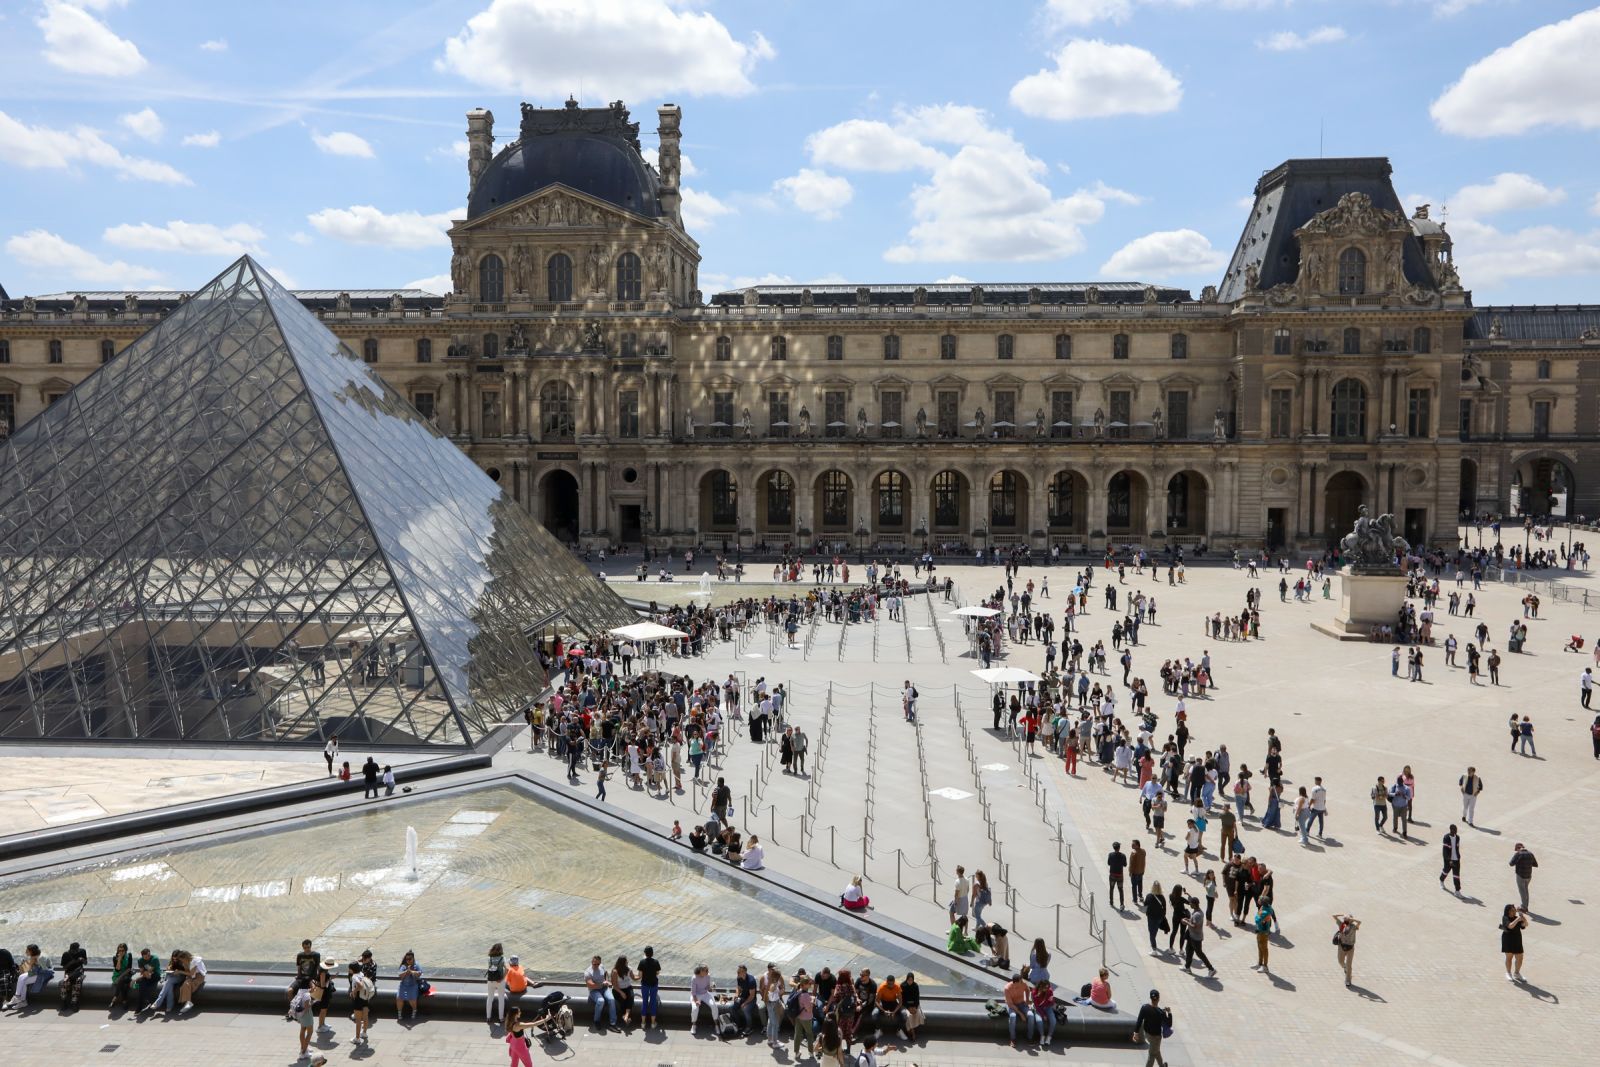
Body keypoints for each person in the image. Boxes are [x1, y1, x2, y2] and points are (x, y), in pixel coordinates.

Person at [1132, 988, 1172, 1067]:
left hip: (1147, 1035)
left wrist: (1136, 1033)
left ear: (1150, 998)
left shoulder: (1144, 1007)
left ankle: (1162, 1066)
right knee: (1152, 1055)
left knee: (1156, 1051)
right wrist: (1169, 1012)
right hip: (1156, 1037)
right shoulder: (1161, 1013)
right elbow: (1169, 1024)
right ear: (1159, 999)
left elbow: (1139, 1020)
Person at [1003, 970, 1036, 1048]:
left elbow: (1028, 990)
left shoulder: (1023, 984)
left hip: (1022, 1003)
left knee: (1031, 1015)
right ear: (1015, 982)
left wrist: (1027, 1000)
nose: (1022, 982)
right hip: (1012, 1005)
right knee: (1013, 1016)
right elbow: (1010, 1004)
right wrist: (1021, 1014)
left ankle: (1030, 1037)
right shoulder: (1007, 988)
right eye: (1020, 981)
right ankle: (1012, 1038)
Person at [584, 955, 616, 1030]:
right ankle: (596, 1021)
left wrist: (607, 981)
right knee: (601, 1001)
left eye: (598, 964)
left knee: (612, 1000)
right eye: (594, 964)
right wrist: (602, 984)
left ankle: (613, 1023)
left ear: (600, 963)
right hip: (594, 991)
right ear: (592, 962)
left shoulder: (601, 966)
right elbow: (590, 985)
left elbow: (605, 974)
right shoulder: (588, 972)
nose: (596, 966)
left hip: (604, 988)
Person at [1181, 905, 1215, 976]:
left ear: (1194, 904)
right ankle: (1187, 967)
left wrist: (1186, 922)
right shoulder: (1197, 911)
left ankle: (1211, 969)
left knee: (1199, 953)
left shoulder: (1197, 914)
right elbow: (1193, 922)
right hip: (1191, 936)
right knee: (1188, 950)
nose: (1190, 904)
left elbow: (1194, 926)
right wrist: (1188, 920)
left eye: (1191, 903)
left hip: (1196, 938)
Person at [288, 978, 316, 1060]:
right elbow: (307, 1006)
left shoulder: (300, 991)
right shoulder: (307, 995)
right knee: (310, 1032)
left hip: (300, 1015)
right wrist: (313, 1002)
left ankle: (304, 1048)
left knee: (303, 1030)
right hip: (306, 1015)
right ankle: (303, 1053)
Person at [347, 961, 374, 1046]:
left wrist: (353, 992)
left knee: (358, 1020)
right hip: (365, 997)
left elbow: (360, 985)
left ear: (352, 969)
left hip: (358, 999)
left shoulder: (354, 976)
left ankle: (357, 1038)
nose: (348, 970)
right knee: (365, 1016)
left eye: (349, 968)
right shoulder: (361, 974)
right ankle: (364, 1033)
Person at [789, 973, 816, 1058]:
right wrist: (812, 1000)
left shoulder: (798, 990)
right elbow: (809, 1009)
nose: (810, 985)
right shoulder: (806, 995)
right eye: (809, 984)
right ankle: (811, 1052)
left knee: (797, 1034)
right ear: (804, 984)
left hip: (798, 1016)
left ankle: (796, 1052)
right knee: (809, 1034)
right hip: (806, 1018)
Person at [759, 962, 786, 1046]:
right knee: (775, 1024)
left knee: (770, 1021)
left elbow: (769, 992)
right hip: (773, 1003)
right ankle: (775, 1042)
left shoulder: (772, 981)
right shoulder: (772, 983)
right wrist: (778, 994)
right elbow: (771, 995)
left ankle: (770, 1039)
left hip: (770, 1003)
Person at [1500, 904, 1528, 982]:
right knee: (1509, 957)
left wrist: (1522, 916)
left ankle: (1517, 973)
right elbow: (1510, 926)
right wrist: (1518, 919)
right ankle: (1508, 973)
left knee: (1520, 957)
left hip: (1517, 939)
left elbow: (1525, 925)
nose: (1514, 911)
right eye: (1512, 910)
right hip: (1508, 940)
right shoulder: (1505, 918)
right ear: (1508, 911)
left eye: (1514, 910)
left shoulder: (1517, 918)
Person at [1332, 914, 1360, 987]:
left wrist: (1352, 920)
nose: (1346, 920)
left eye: (1348, 919)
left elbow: (1360, 922)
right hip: (1341, 946)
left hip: (1350, 948)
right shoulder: (1341, 924)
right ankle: (1344, 967)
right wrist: (1342, 914)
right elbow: (1334, 916)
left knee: (1349, 965)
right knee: (1340, 961)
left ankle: (1348, 980)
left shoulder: (1353, 927)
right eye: (1345, 919)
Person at [1509, 843, 1538, 911]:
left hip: (1520, 875)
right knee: (1525, 890)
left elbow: (1511, 863)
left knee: (1522, 891)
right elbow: (1535, 864)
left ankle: (1524, 907)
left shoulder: (1518, 854)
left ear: (1518, 848)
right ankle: (1525, 905)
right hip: (1528, 876)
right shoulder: (1530, 853)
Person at [637, 946, 660, 1029]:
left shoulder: (642, 962)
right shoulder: (656, 962)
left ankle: (643, 1023)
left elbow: (640, 975)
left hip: (645, 985)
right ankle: (653, 1023)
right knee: (653, 1002)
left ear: (645, 953)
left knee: (644, 1002)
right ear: (652, 953)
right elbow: (657, 973)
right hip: (654, 984)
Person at [687, 964, 716, 1031]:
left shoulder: (708, 976)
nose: (708, 971)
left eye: (708, 970)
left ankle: (716, 1024)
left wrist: (711, 988)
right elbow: (693, 992)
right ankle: (694, 1025)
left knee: (713, 1005)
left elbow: (707, 987)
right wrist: (696, 1000)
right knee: (695, 1008)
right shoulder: (694, 978)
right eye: (706, 970)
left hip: (705, 994)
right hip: (696, 995)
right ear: (701, 971)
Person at [396, 951, 423, 1020]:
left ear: (413, 958)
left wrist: (412, 972)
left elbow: (419, 973)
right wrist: (406, 972)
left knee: (412, 999)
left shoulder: (416, 965)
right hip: (403, 985)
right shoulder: (403, 966)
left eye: (410, 959)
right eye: (407, 959)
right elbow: (400, 975)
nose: (408, 960)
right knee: (399, 998)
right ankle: (399, 1012)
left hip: (413, 985)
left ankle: (414, 1010)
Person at [610, 955, 635, 1030]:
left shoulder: (629, 969)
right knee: (623, 1001)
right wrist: (621, 992)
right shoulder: (615, 971)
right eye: (626, 961)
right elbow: (614, 985)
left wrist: (641, 975)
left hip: (628, 987)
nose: (628, 962)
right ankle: (626, 1017)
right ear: (622, 962)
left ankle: (626, 1016)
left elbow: (634, 978)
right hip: (618, 989)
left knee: (631, 997)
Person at [1143, 880, 1168, 954]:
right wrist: (1163, 916)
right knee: (1155, 930)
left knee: (1151, 932)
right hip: (1159, 917)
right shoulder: (1162, 897)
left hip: (1151, 917)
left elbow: (1145, 906)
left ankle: (1154, 949)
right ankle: (1153, 942)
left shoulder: (1149, 896)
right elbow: (1164, 908)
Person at [485, 942, 506, 1025]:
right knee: (501, 999)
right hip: (499, 981)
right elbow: (507, 969)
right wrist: (502, 978)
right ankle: (501, 1018)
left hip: (490, 980)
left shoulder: (489, 958)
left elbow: (490, 968)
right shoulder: (502, 958)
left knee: (490, 998)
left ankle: (488, 1017)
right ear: (501, 950)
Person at [1252, 901, 1275, 972]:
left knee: (1264, 949)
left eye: (1260, 899)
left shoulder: (1264, 912)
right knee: (1260, 947)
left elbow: (1257, 920)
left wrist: (1258, 913)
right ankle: (1260, 964)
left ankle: (1265, 966)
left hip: (1262, 932)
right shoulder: (1269, 908)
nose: (1258, 900)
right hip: (1262, 932)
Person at [1441, 825, 1463, 894]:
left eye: (1456, 829)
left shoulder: (1458, 838)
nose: (1456, 831)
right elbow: (1445, 851)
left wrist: (1458, 857)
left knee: (1456, 875)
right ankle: (1441, 880)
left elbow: (1457, 848)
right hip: (1448, 860)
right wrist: (1449, 860)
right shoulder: (1446, 838)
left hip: (1456, 860)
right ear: (1451, 830)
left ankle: (1457, 891)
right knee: (1445, 871)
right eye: (1455, 829)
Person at [1107, 842, 1128, 908]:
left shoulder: (1110, 854)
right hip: (1120, 876)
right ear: (1119, 848)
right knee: (1120, 889)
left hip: (1112, 875)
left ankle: (1111, 902)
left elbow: (1109, 863)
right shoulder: (1123, 855)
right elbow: (1125, 865)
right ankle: (1121, 904)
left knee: (1111, 888)